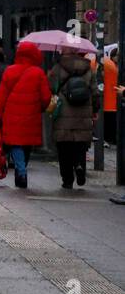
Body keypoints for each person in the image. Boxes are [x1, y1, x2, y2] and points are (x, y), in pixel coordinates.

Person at [0, 41, 52, 190]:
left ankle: (21, 172)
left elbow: (2, 96)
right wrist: (40, 108)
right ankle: (21, 169)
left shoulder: (9, 70)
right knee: (26, 144)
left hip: (11, 115)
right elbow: (46, 97)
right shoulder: (38, 73)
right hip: (31, 115)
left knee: (16, 143)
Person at [48, 49, 101, 190]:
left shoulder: (58, 67)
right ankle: (79, 166)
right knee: (80, 144)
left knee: (64, 147)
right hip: (83, 112)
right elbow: (95, 92)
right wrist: (95, 110)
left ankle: (67, 179)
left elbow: (51, 88)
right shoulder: (88, 68)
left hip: (63, 113)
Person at [104, 48, 118, 147]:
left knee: (112, 120)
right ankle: (109, 138)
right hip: (109, 98)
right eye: (116, 55)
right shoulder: (109, 65)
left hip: (114, 98)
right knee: (109, 120)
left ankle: (112, 138)